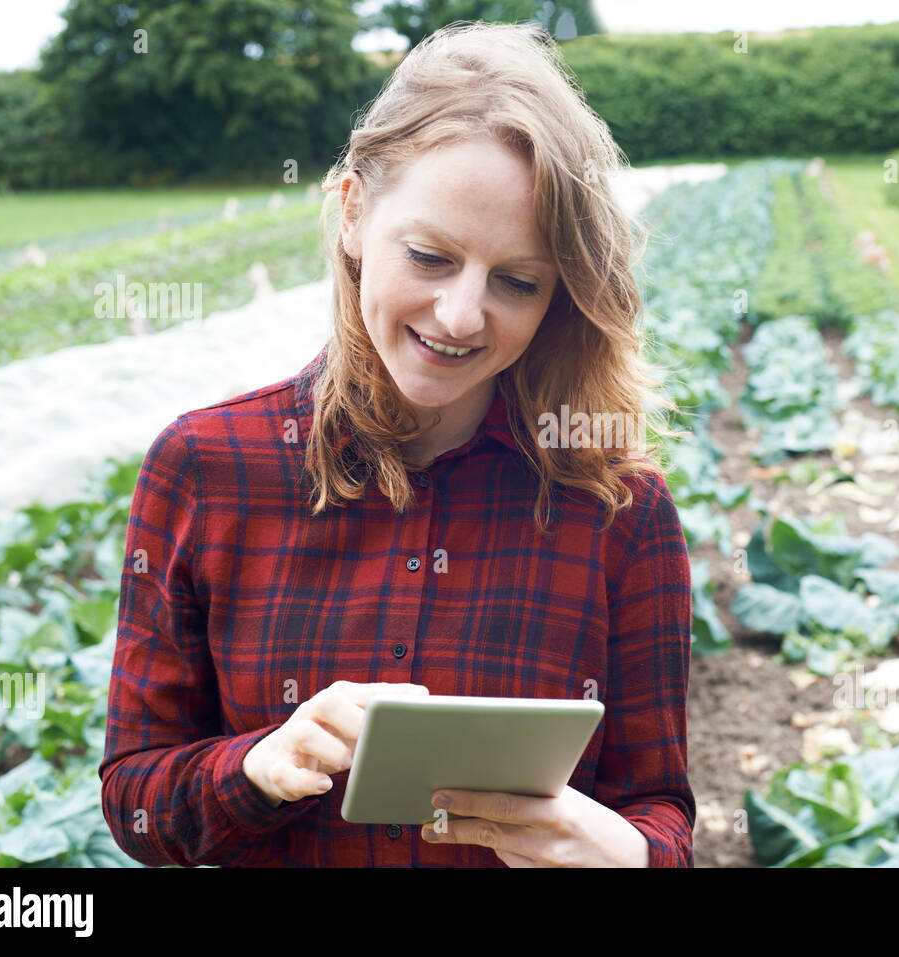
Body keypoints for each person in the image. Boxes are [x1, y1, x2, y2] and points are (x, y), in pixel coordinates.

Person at [99, 21, 695, 868]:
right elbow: (135, 801)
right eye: (430, 255)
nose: (461, 315)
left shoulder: (619, 511)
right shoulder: (203, 470)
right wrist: (258, 766)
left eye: (517, 282)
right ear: (351, 214)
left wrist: (630, 854)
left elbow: (661, 809)